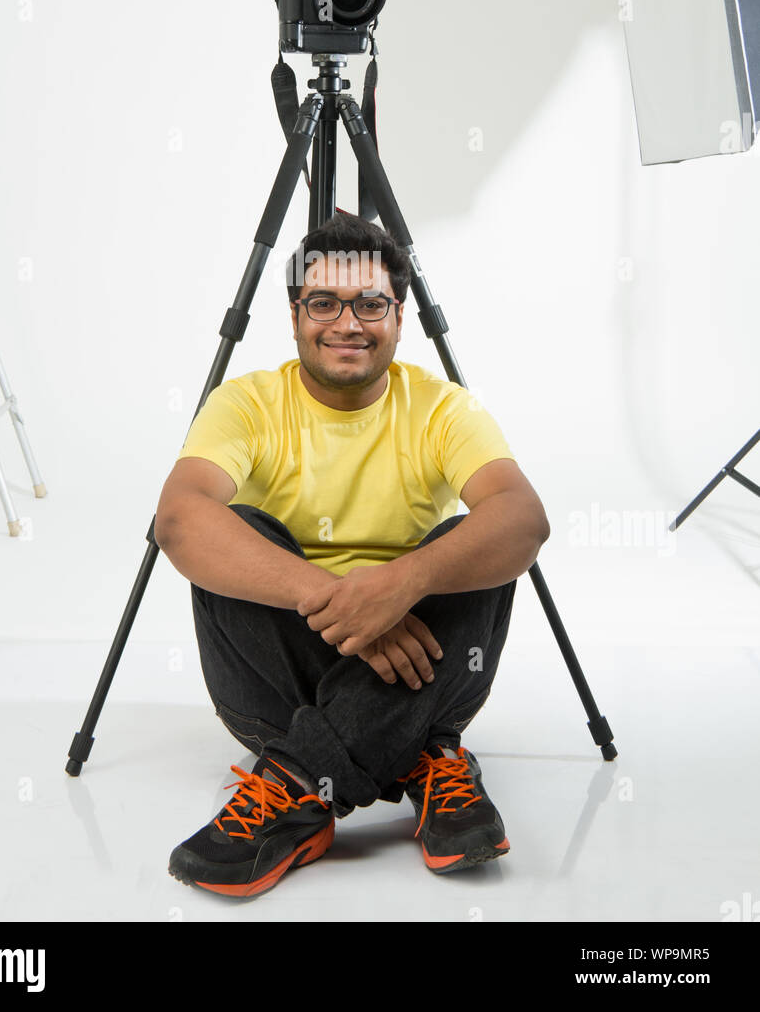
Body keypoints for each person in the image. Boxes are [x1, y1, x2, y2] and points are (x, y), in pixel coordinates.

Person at [154, 213, 550, 898]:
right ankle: (425, 758)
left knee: (476, 537)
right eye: (324, 303)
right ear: (294, 313)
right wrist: (348, 608)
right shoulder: (245, 402)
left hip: (417, 655)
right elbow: (179, 521)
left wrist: (403, 584)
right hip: (286, 684)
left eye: (371, 304)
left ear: (399, 317)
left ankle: (294, 785)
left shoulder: (443, 408)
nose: (347, 324)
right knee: (235, 523)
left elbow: (525, 519)